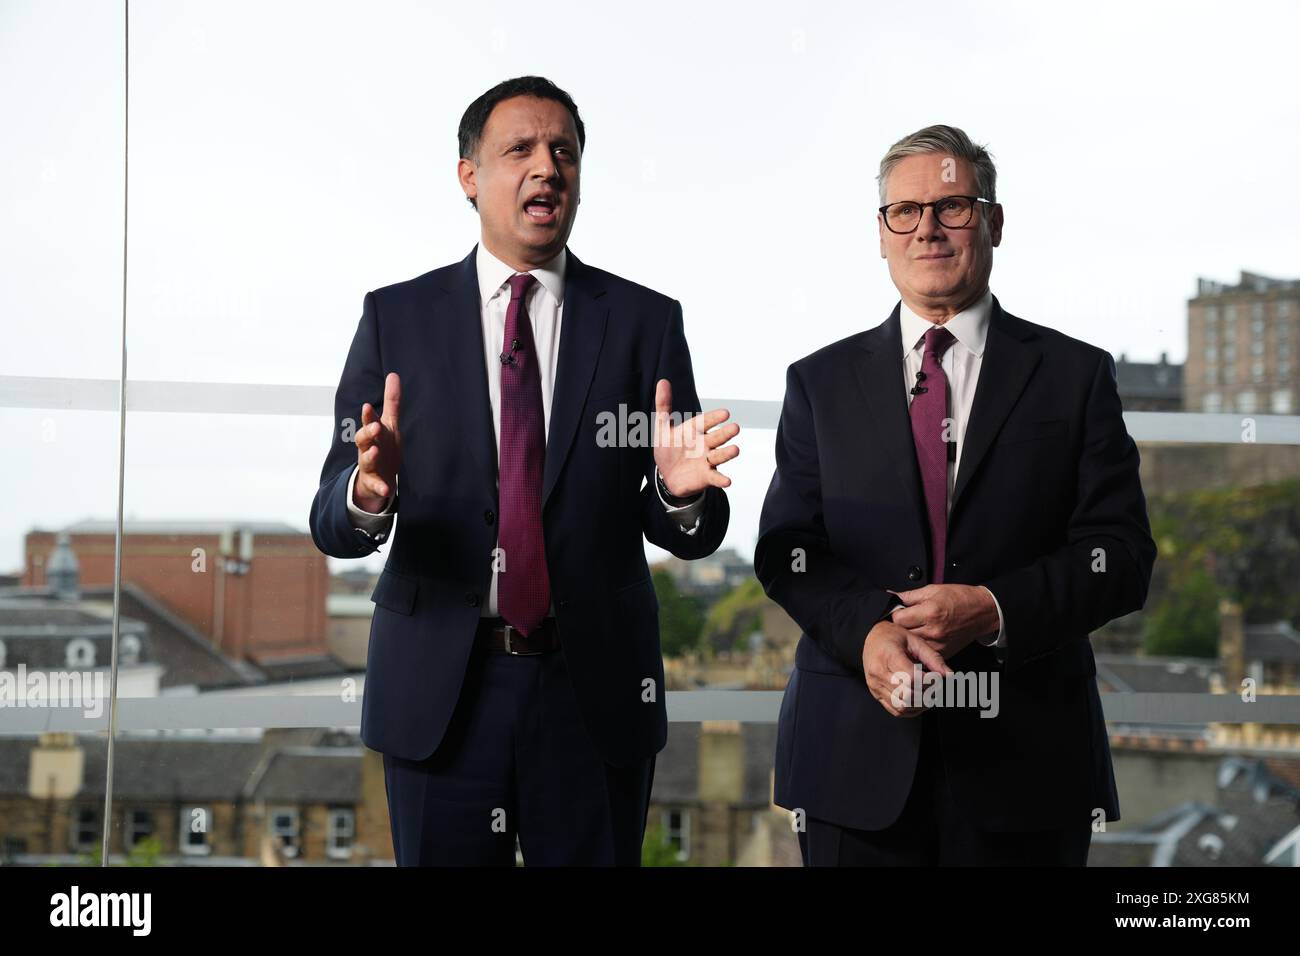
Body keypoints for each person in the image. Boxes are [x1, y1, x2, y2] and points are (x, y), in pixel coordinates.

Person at [309, 76, 738, 865]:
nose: (548, 167)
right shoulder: (395, 317)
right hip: (441, 691)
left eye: (564, 153)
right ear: (469, 175)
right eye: (521, 150)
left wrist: (678, 496)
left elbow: (692, 524)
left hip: (594, 691)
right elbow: (332, 517)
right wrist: (368, 494)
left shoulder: (645, 321)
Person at [754, 124, 1156, 865]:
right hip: (852, 762)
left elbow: (1121, 556)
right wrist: (871, 632)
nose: (928, 229)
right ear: (881, 234)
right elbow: (788, 551)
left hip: (1028, 768)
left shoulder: (1076, 377)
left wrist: (995, 609)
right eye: (904, 211)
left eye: (955, 206)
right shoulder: (819, 383)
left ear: (995, 222)